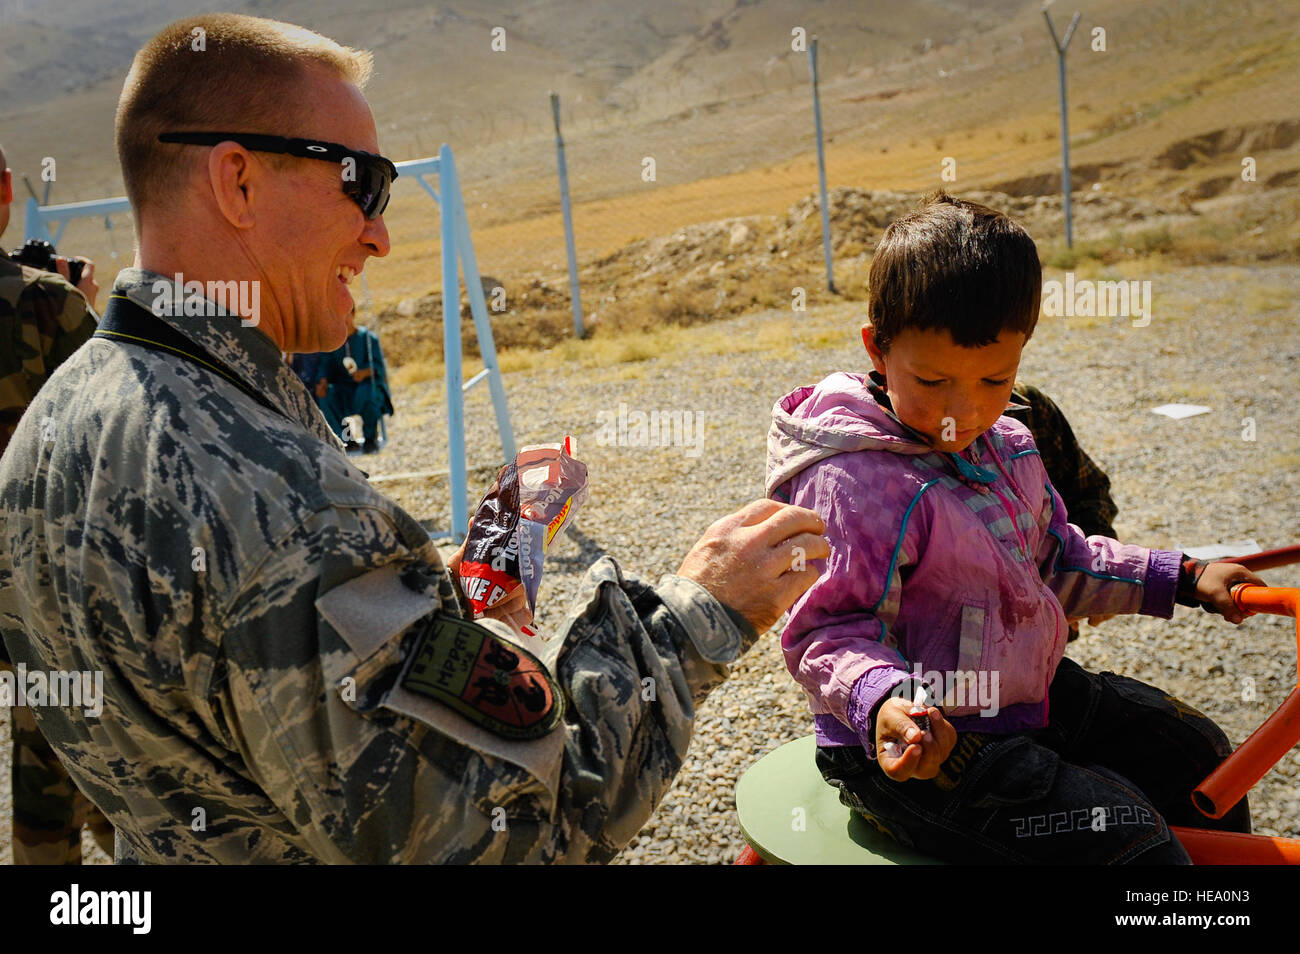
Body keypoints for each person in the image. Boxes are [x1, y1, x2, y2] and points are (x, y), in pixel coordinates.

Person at [0, 14, 828, 864]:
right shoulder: (293, 509)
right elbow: (512, 839)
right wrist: (698, 614)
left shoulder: (49, 432)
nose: (380, 232)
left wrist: (450, 622)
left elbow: (246, 719)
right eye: (360, 181)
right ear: (237, 181)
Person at [766, 191, 1261, 864]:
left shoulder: (1011, 444)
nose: (960, 412)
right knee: (1131, 845)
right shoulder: (855, 481)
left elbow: (1060, 557)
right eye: (933, 381)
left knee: (1193, 754)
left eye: (994, 380)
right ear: (877, 351)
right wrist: (886, 700)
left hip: (1021, 695)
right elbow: (829, 629)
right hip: (915, 748)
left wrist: (1184, 577)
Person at [0, 142, 114, 864]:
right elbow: (110, 425)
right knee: (66, 742)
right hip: (33, 578)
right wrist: (80, 304)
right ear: (6, 190)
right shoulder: (45, 303)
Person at [1006, 380, 1119, 639]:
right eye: (934, 381)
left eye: (994, 380)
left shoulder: (1027, 407)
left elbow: (1088, 493)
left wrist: (1091, 579)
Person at [317, 316, 391, 452]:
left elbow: (378, 366)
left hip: (366, 386)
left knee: (367, 393)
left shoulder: (368, 338)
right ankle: (346, 439)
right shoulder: (333, 341)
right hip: (344, 389)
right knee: (326, 396)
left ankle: (370, 438)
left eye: (346, 314)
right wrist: (323, 382)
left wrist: (365, 372)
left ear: (353, 315)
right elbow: (325, 366)